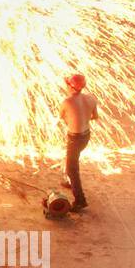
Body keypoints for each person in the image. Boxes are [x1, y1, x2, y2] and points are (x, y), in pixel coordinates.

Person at [59, 72, 98, 211]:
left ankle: (80, 200)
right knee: (71, 159)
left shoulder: (67, 102)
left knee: (72, 168)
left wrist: (73, 119)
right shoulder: (91, 99)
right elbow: (95, 116)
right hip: (86, 136)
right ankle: (71, 181)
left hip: (74, 138)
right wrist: (82, 116)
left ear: (71, 87)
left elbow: (62, 117)